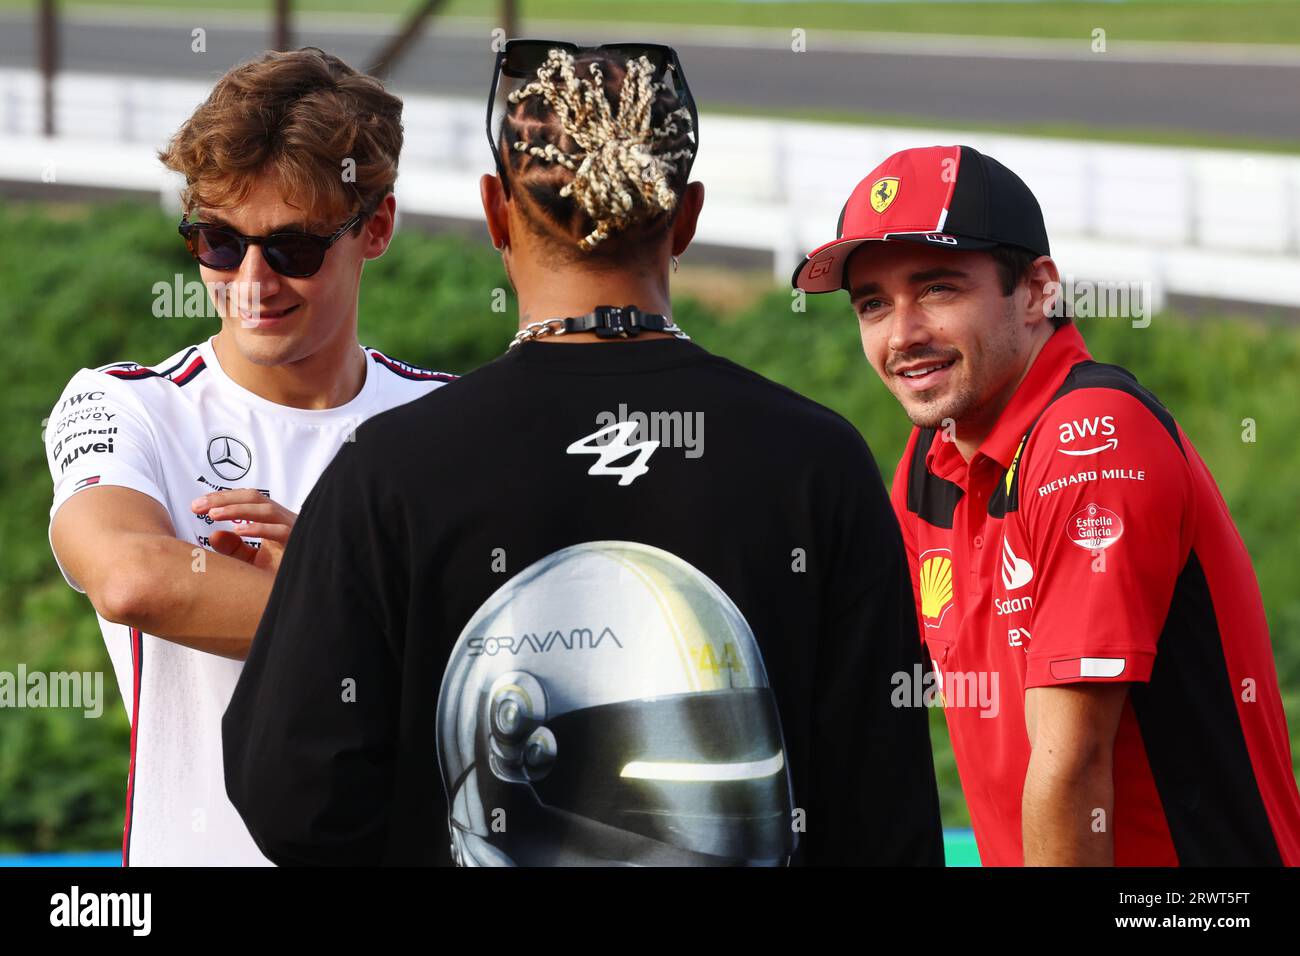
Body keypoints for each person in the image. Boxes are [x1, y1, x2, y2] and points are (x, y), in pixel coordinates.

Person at [222, 41, 944, 866]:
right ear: (689, 217)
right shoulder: (821, 461)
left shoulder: (390, 468)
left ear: (495, 210)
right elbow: (886, 817)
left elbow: (293, 798)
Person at [792, 143, 1300, 866]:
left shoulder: (1094, 440)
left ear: (1036, 290)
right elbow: (862, 686)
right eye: (873, 303)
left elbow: (1072, 768)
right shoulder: (933, 459)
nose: (901, 335)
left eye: (937, 289)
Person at [42, 47, 454, 866]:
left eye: (294, 249)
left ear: (376, 226)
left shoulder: (451, 419)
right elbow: (129, 579)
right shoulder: (126, 404)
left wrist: (314, 588)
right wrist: (358, 596)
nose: (251, 282)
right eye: (220, 243)